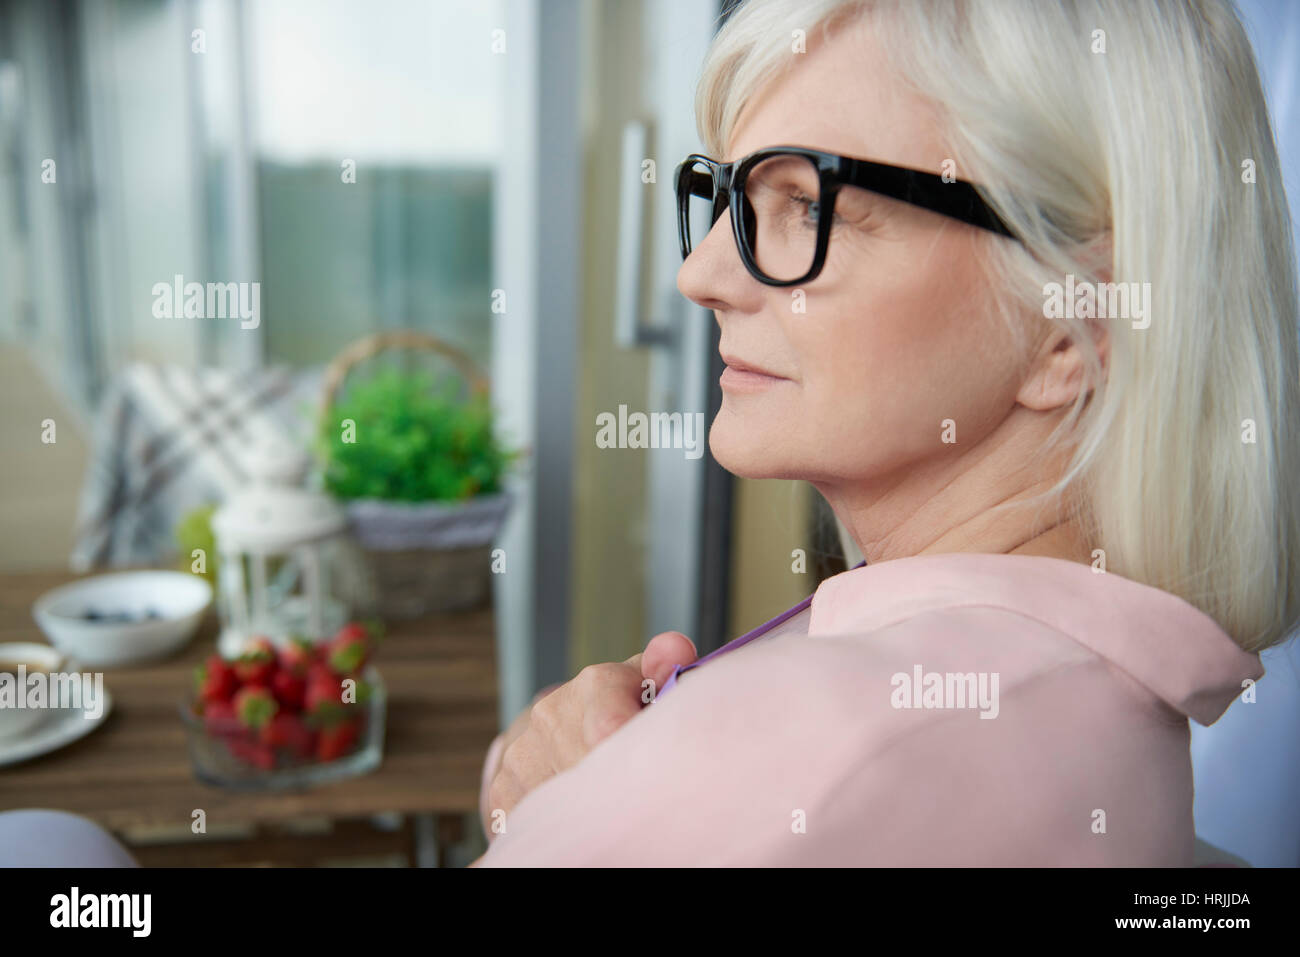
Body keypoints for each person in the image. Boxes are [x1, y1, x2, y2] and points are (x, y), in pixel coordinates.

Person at [474, 0, 1300, 866]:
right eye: (729, 196)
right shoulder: (1098, 708)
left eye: (807, 203)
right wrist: (550, 776)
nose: (701, 274)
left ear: (1074, 322)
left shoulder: (799, 762)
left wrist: (553, 808)